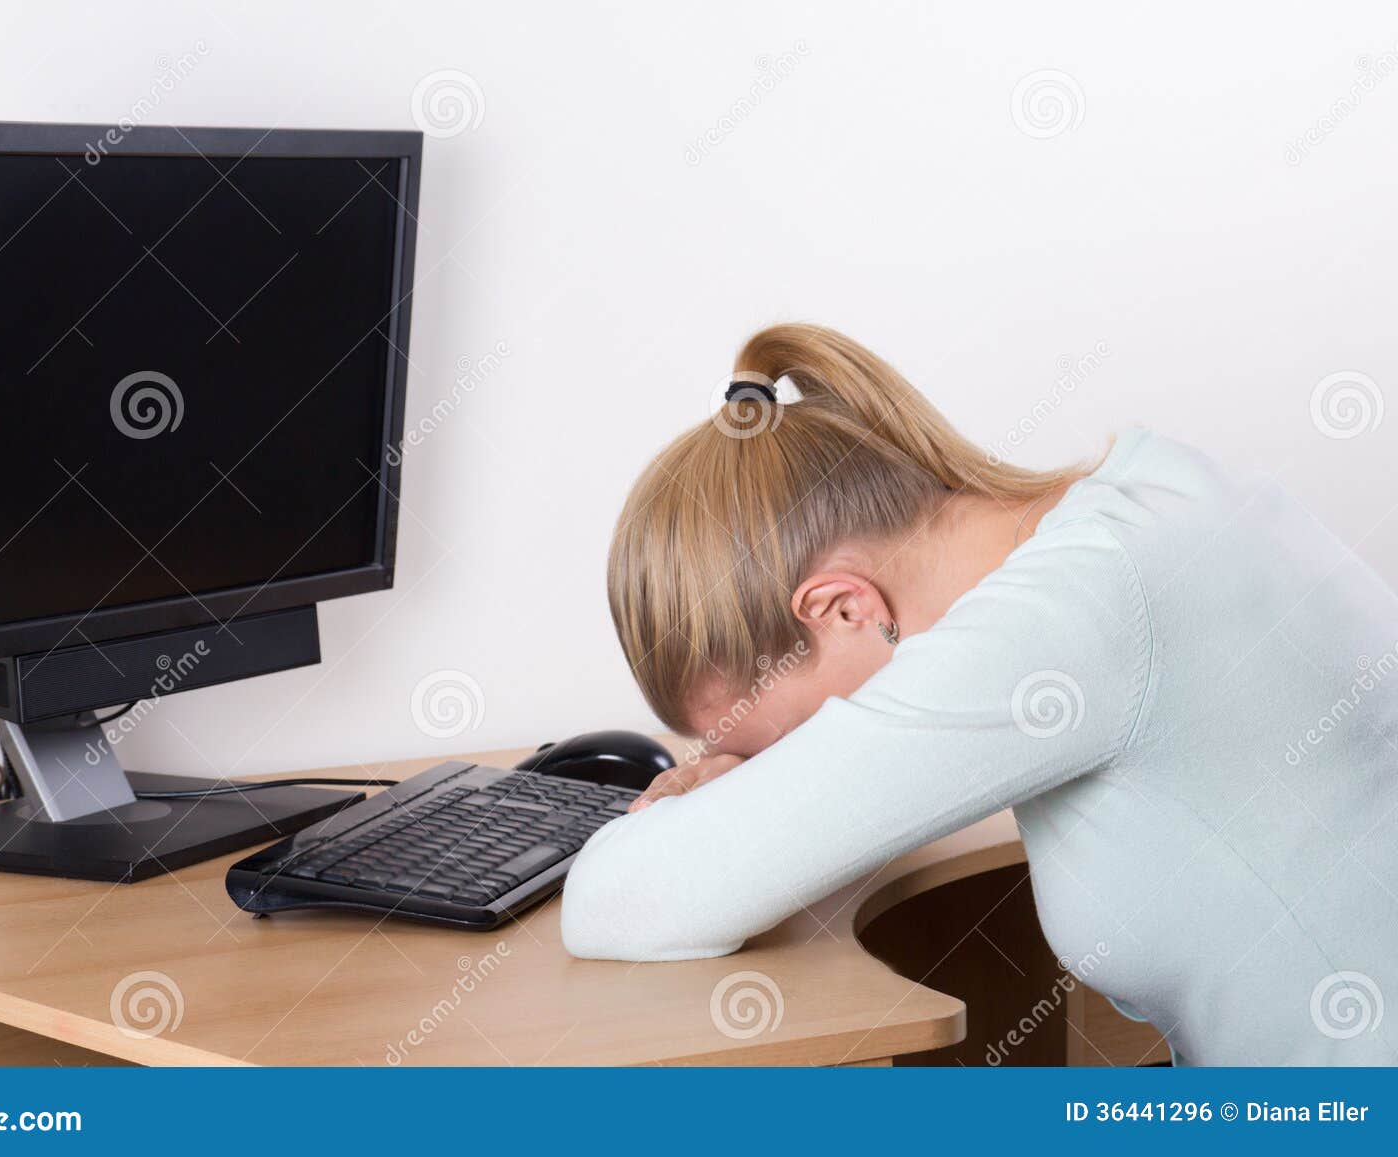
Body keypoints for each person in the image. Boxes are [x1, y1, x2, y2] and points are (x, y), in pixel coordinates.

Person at [560, 323, 1398, 1066]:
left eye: (769, 741)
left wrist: (707, 808)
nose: (758, 764)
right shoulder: (1147, 501)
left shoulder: (1067, 612)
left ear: (842, 607)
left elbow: (612, 902)